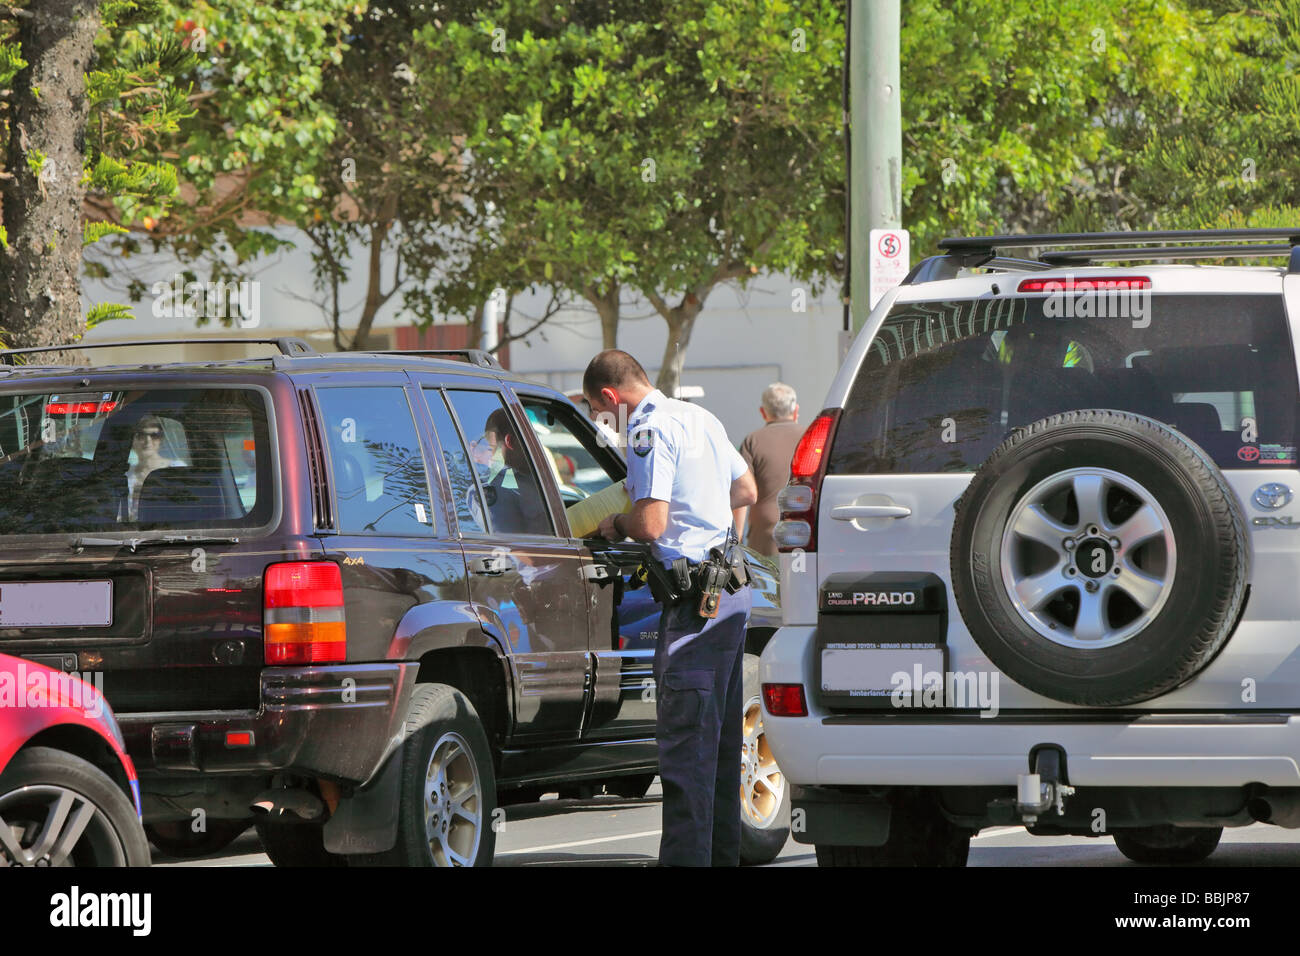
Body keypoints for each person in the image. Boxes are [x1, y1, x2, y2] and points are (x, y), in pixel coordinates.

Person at [583, 349, 758, 867]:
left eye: (598, 414)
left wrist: (615, 523)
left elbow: (652, 523)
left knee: (685, 757)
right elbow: (745, 488)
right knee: (720, 753)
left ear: (612, 399)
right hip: (728, 594)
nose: (603, 426)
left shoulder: (646, 430)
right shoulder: (700, 417)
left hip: (692, 608)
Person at [736, 382, 804, 557]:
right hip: (807, 531)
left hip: (765, 536)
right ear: (796, 410)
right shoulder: (810, 438)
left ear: (763, 412)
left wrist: (737, 538)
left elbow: (742, 490)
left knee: (770, 584)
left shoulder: (752, 441)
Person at [125, 414, 186, 521]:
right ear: (132, 440)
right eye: (141, 435)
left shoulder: (178, 468)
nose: (148, 441)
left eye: (154, 435)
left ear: (161, 439)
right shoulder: (125, 475)